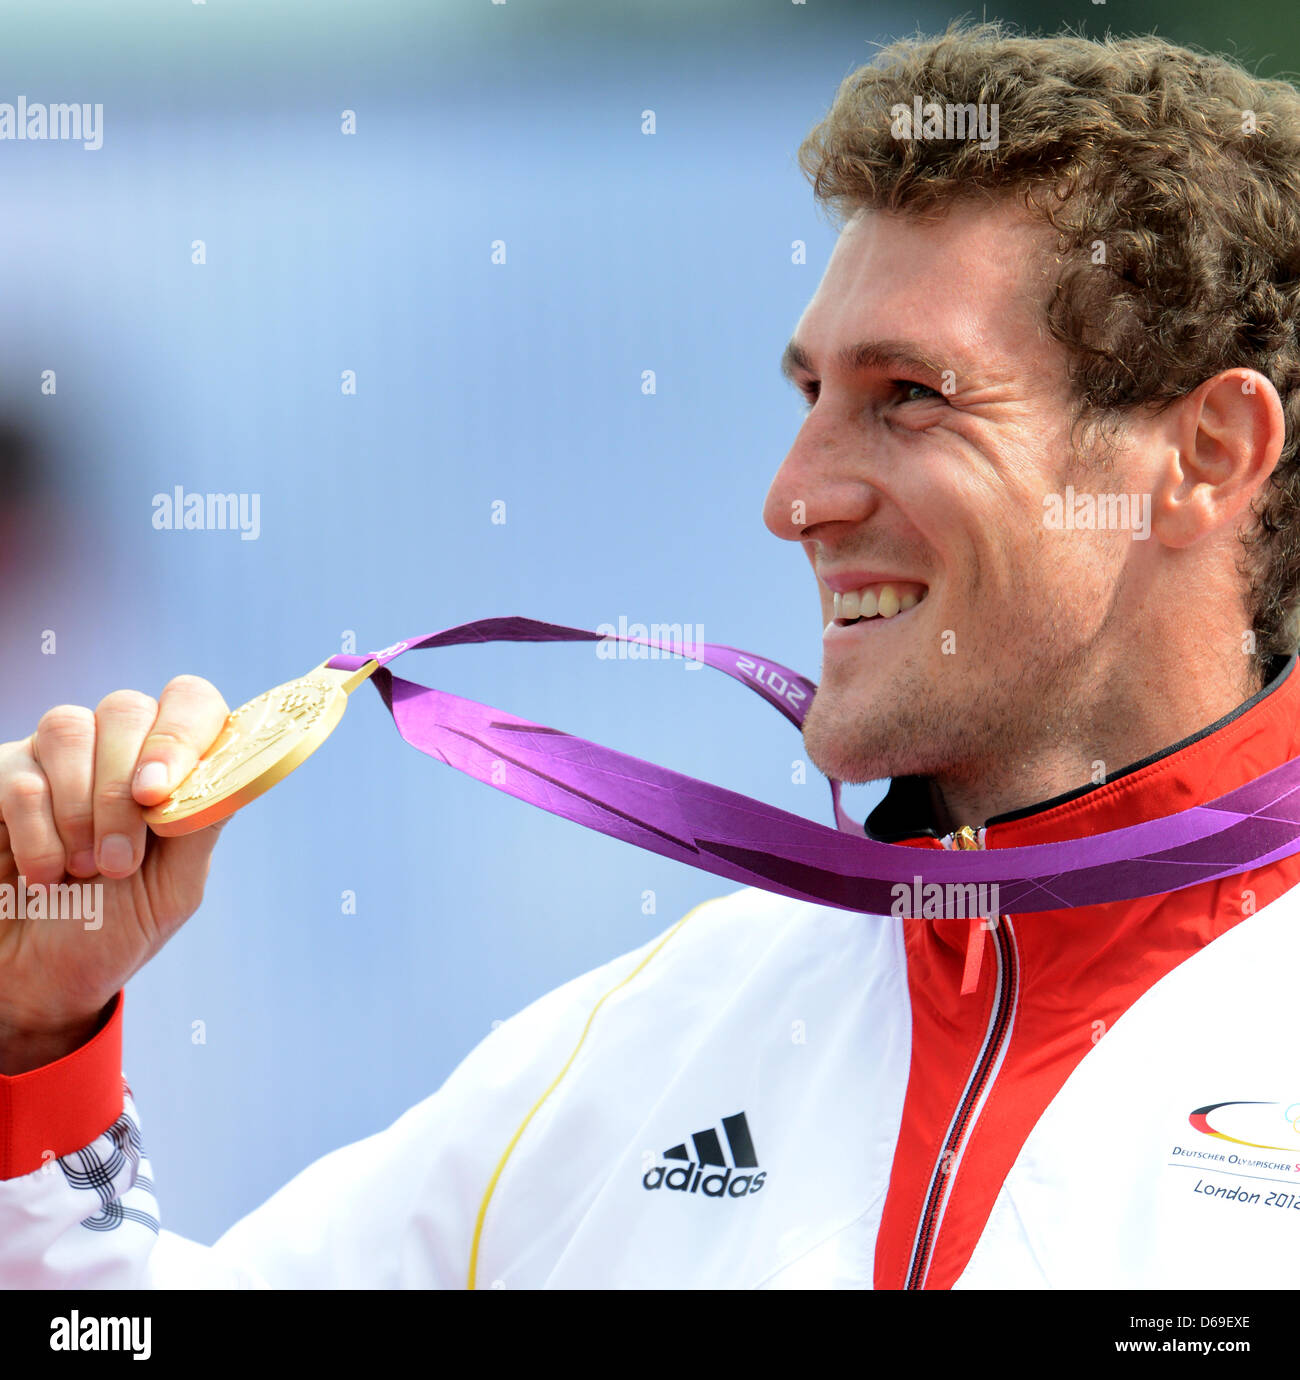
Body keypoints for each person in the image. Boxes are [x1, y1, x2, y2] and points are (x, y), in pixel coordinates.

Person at [4, 21, 1300, 1289]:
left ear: (1205, 458)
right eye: (813, 397)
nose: (795, 498)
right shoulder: (661, 1040)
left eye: (910, 396)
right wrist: (35, 1047)